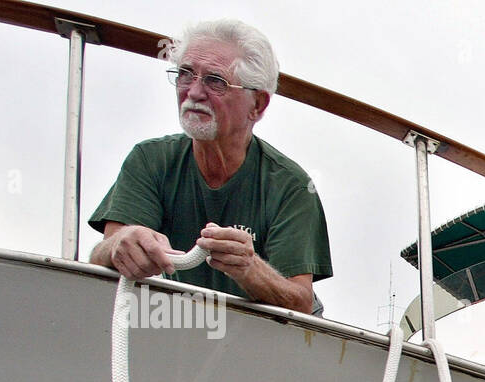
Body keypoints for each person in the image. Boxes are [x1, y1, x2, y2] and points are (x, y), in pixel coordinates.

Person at [89, 19, 331, 314]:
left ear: (257, 105)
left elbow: (301, 302)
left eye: (215, 81)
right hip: (168, 327)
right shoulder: (150, 160)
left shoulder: (291, 186)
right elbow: (102, 255)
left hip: (258, 345)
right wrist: (118, 247)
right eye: (185, 74)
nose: (193, 92)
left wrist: (249, 269)